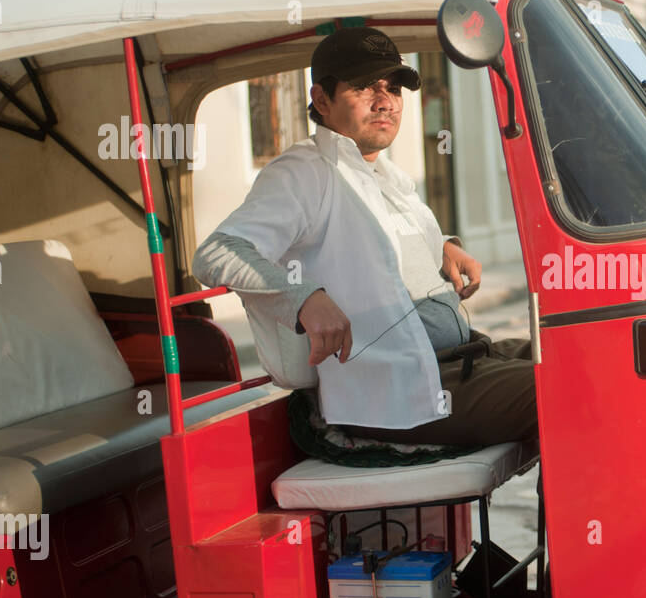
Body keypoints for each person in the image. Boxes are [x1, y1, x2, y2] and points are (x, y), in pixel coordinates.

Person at [192, 27, 537, 447]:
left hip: (460, 361)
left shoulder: (384, 175)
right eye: (363, 87)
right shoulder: (305, 172)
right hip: (402, 393)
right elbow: (217, 252)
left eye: (393, 88)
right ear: (322, 99)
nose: (385, 101)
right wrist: (305, 299)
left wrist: (444, 245)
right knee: (565, 392)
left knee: (587, 358)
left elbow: (380, 238)